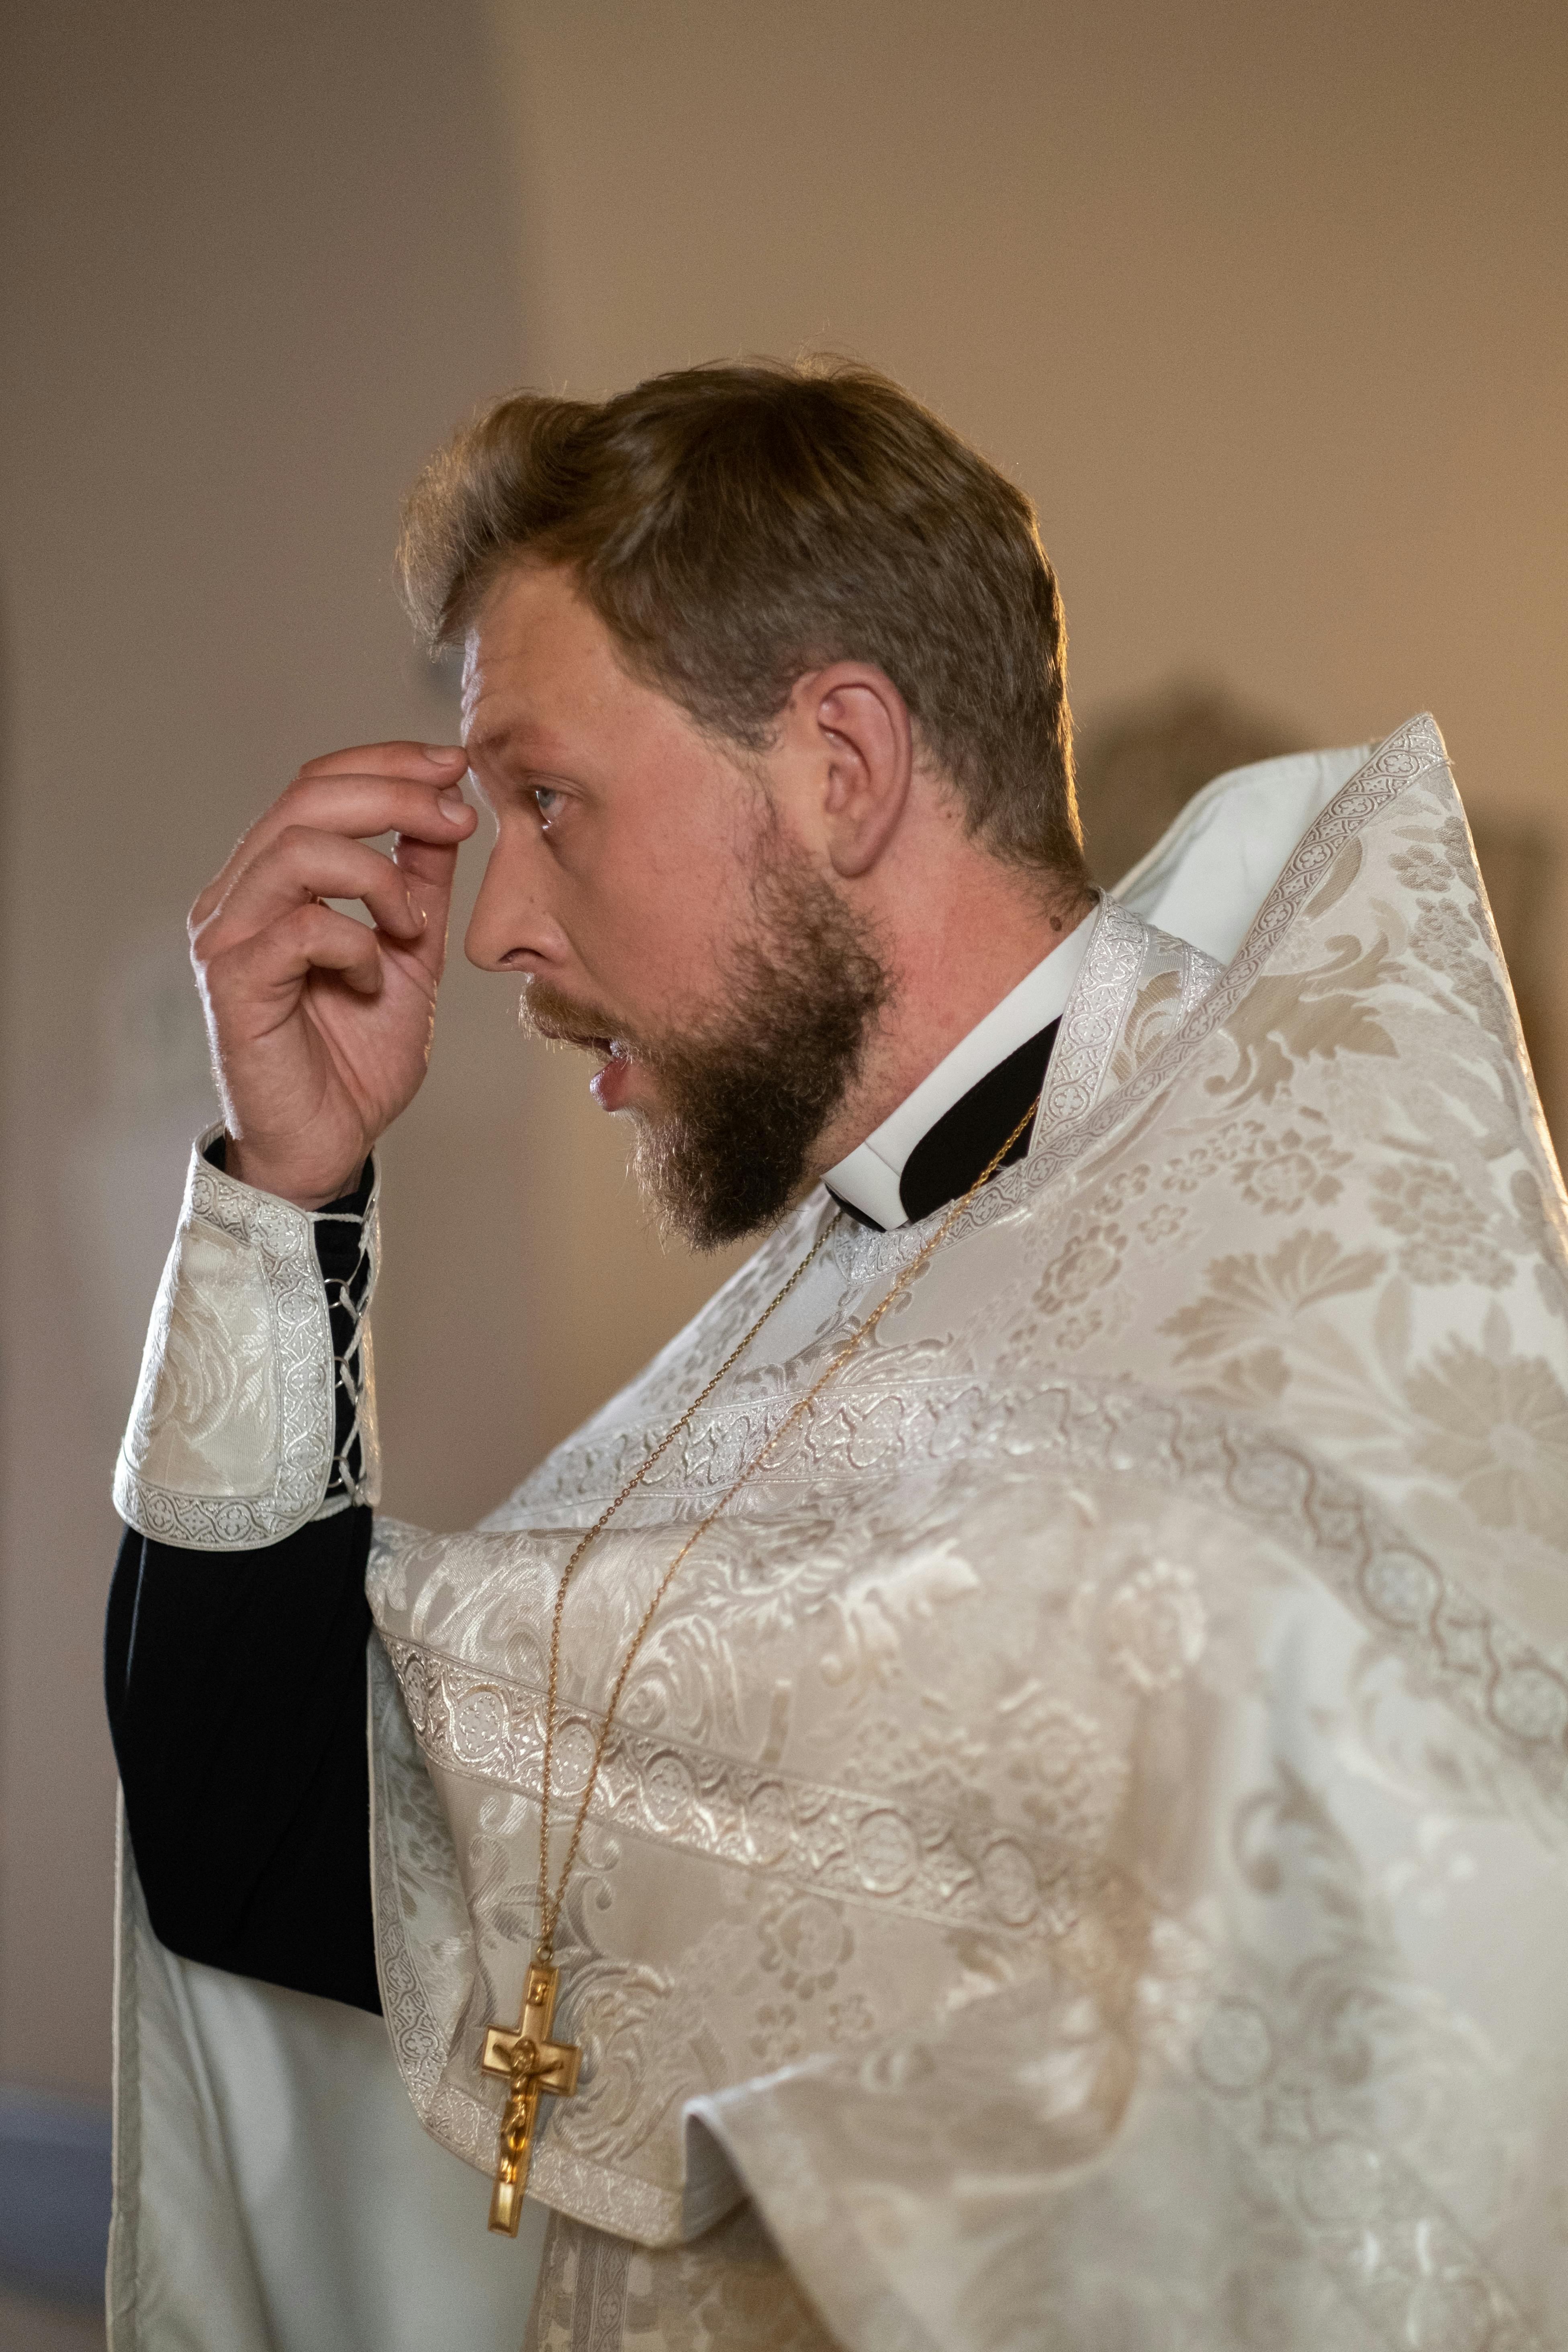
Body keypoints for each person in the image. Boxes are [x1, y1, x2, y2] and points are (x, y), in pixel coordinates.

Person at [106, 361, 1568, 2352]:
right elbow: (265, 1847)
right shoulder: (839, 1287)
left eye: (546, 797)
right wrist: (289, 1186)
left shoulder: (1265, 1315)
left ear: (843, 764)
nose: (493, 924)